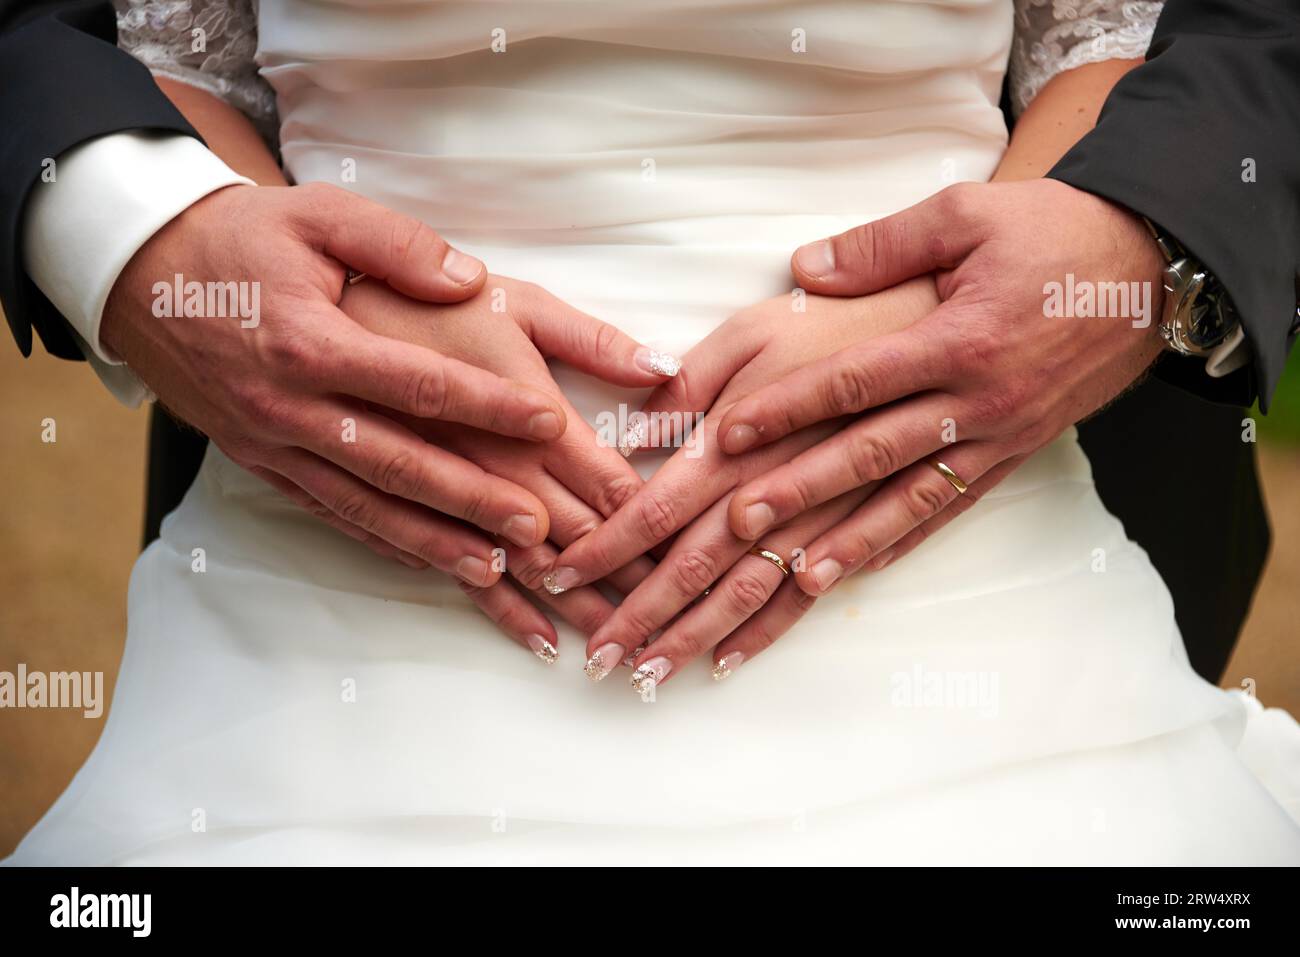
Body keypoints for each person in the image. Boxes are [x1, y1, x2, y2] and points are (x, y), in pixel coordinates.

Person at [5, 0, 1299, 864]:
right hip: (325, 607)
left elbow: (1135, 44)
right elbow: (166, 57)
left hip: (972, 590)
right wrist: (157, 246)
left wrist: (1114, 255)